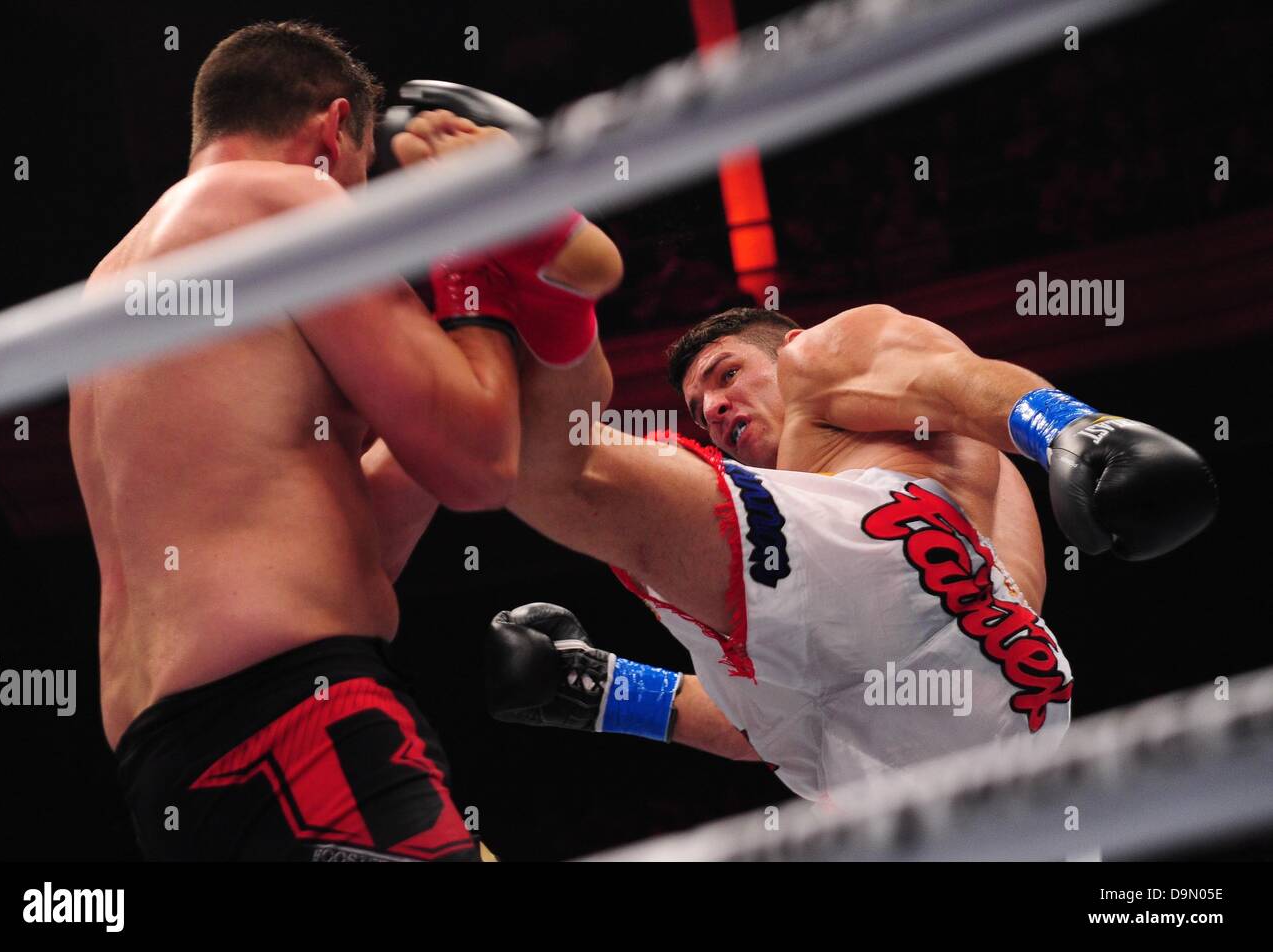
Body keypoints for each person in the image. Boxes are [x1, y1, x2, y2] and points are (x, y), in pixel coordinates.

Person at [70, 22, 615, 860]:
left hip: (175, 773)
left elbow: (351, 538)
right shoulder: (284, 200)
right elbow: (478, 468)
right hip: (296, 723)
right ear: (332, 132)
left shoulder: (111, 289)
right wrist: (471, 256)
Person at [487, 297, 1216, 801]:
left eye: (728, 374)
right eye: (698, 405)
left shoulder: (824, 364)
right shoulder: (785, 552)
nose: (711, 407)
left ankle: (481, 305)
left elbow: (940, 374)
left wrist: (1071, 430)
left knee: (561, 463)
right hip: (925, 742)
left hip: (909, 573)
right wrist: (601, 692)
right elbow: (783, 714)